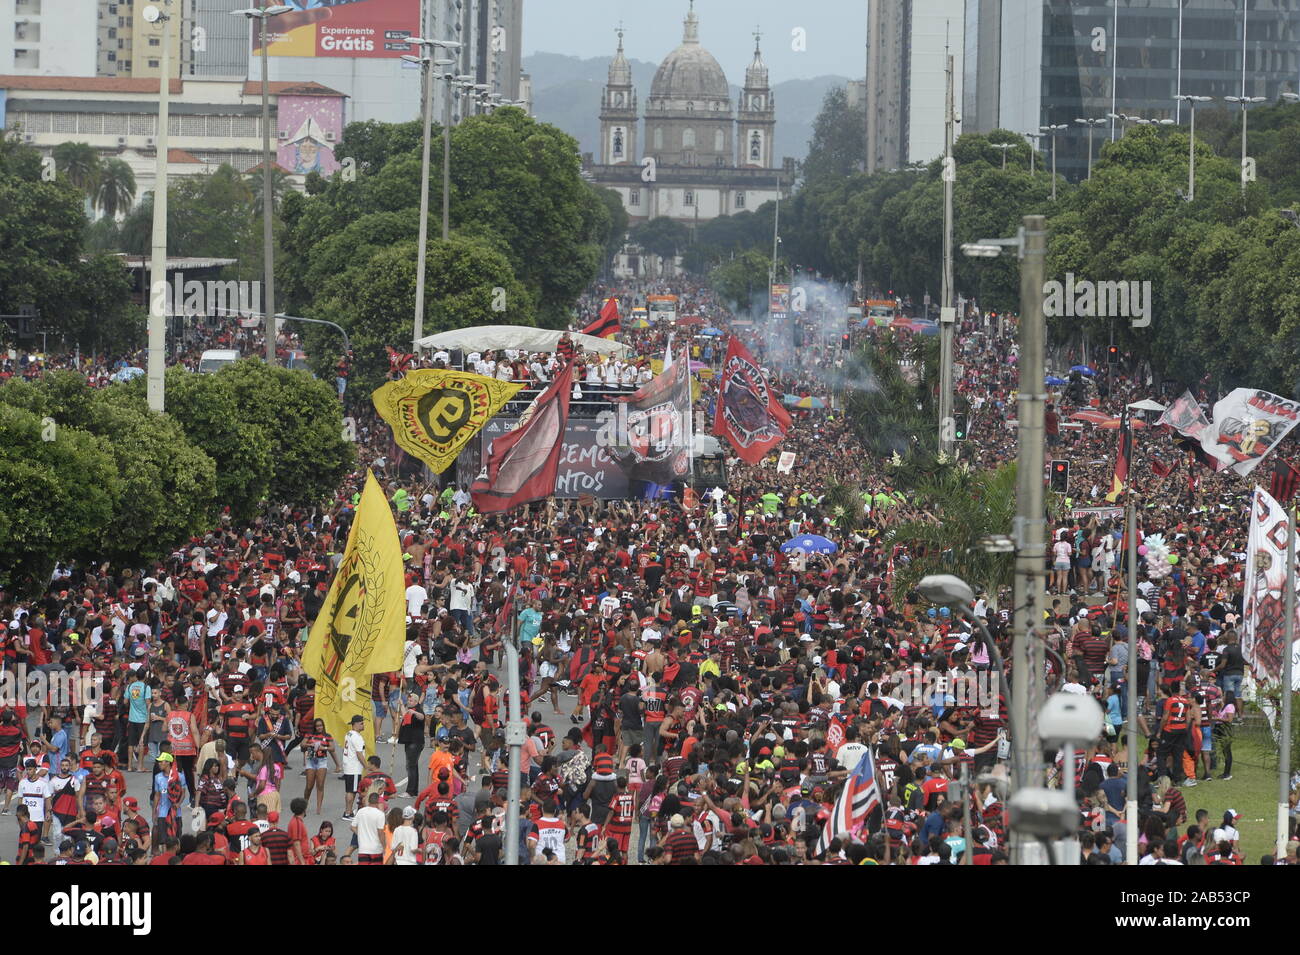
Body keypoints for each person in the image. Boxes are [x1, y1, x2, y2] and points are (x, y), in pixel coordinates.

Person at [341, 714, 366, 819]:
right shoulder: (357, 737)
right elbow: (359, 754)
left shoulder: (349, 734)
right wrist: (366, 766)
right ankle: (348, 812)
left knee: (349, 790)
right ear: (355, 724)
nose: (363, 725)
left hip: (348, 765)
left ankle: (348, 811)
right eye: (361, 723)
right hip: (354, 767)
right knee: (352, 791)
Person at [351, 791, 386, 865]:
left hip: (363, 849)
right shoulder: (380, 814)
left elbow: (352, 827)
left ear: (369, 800)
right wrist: (384, 846)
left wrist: (360, 833)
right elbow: (380, 833)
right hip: (376, 849)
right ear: (377, 801)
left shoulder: (361, 811)